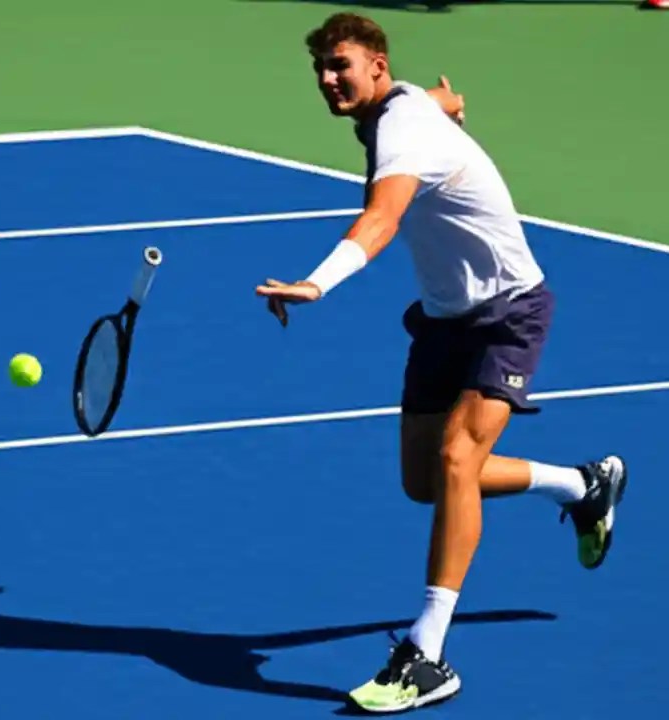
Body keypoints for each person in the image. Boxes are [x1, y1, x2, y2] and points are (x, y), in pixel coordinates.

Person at [255, 12, 629, 713]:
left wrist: (317, 281)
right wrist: (445, 101)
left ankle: (426, 656)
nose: (329, 80)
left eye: (341, 65)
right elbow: (428, 104)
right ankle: (582, 486)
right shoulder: (404, 110)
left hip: (509, 311)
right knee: (427, 482)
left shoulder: (400, 130)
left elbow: (382, 219)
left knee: (458, 459)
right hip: (442, 321)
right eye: (320, 71)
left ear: (377, 63)